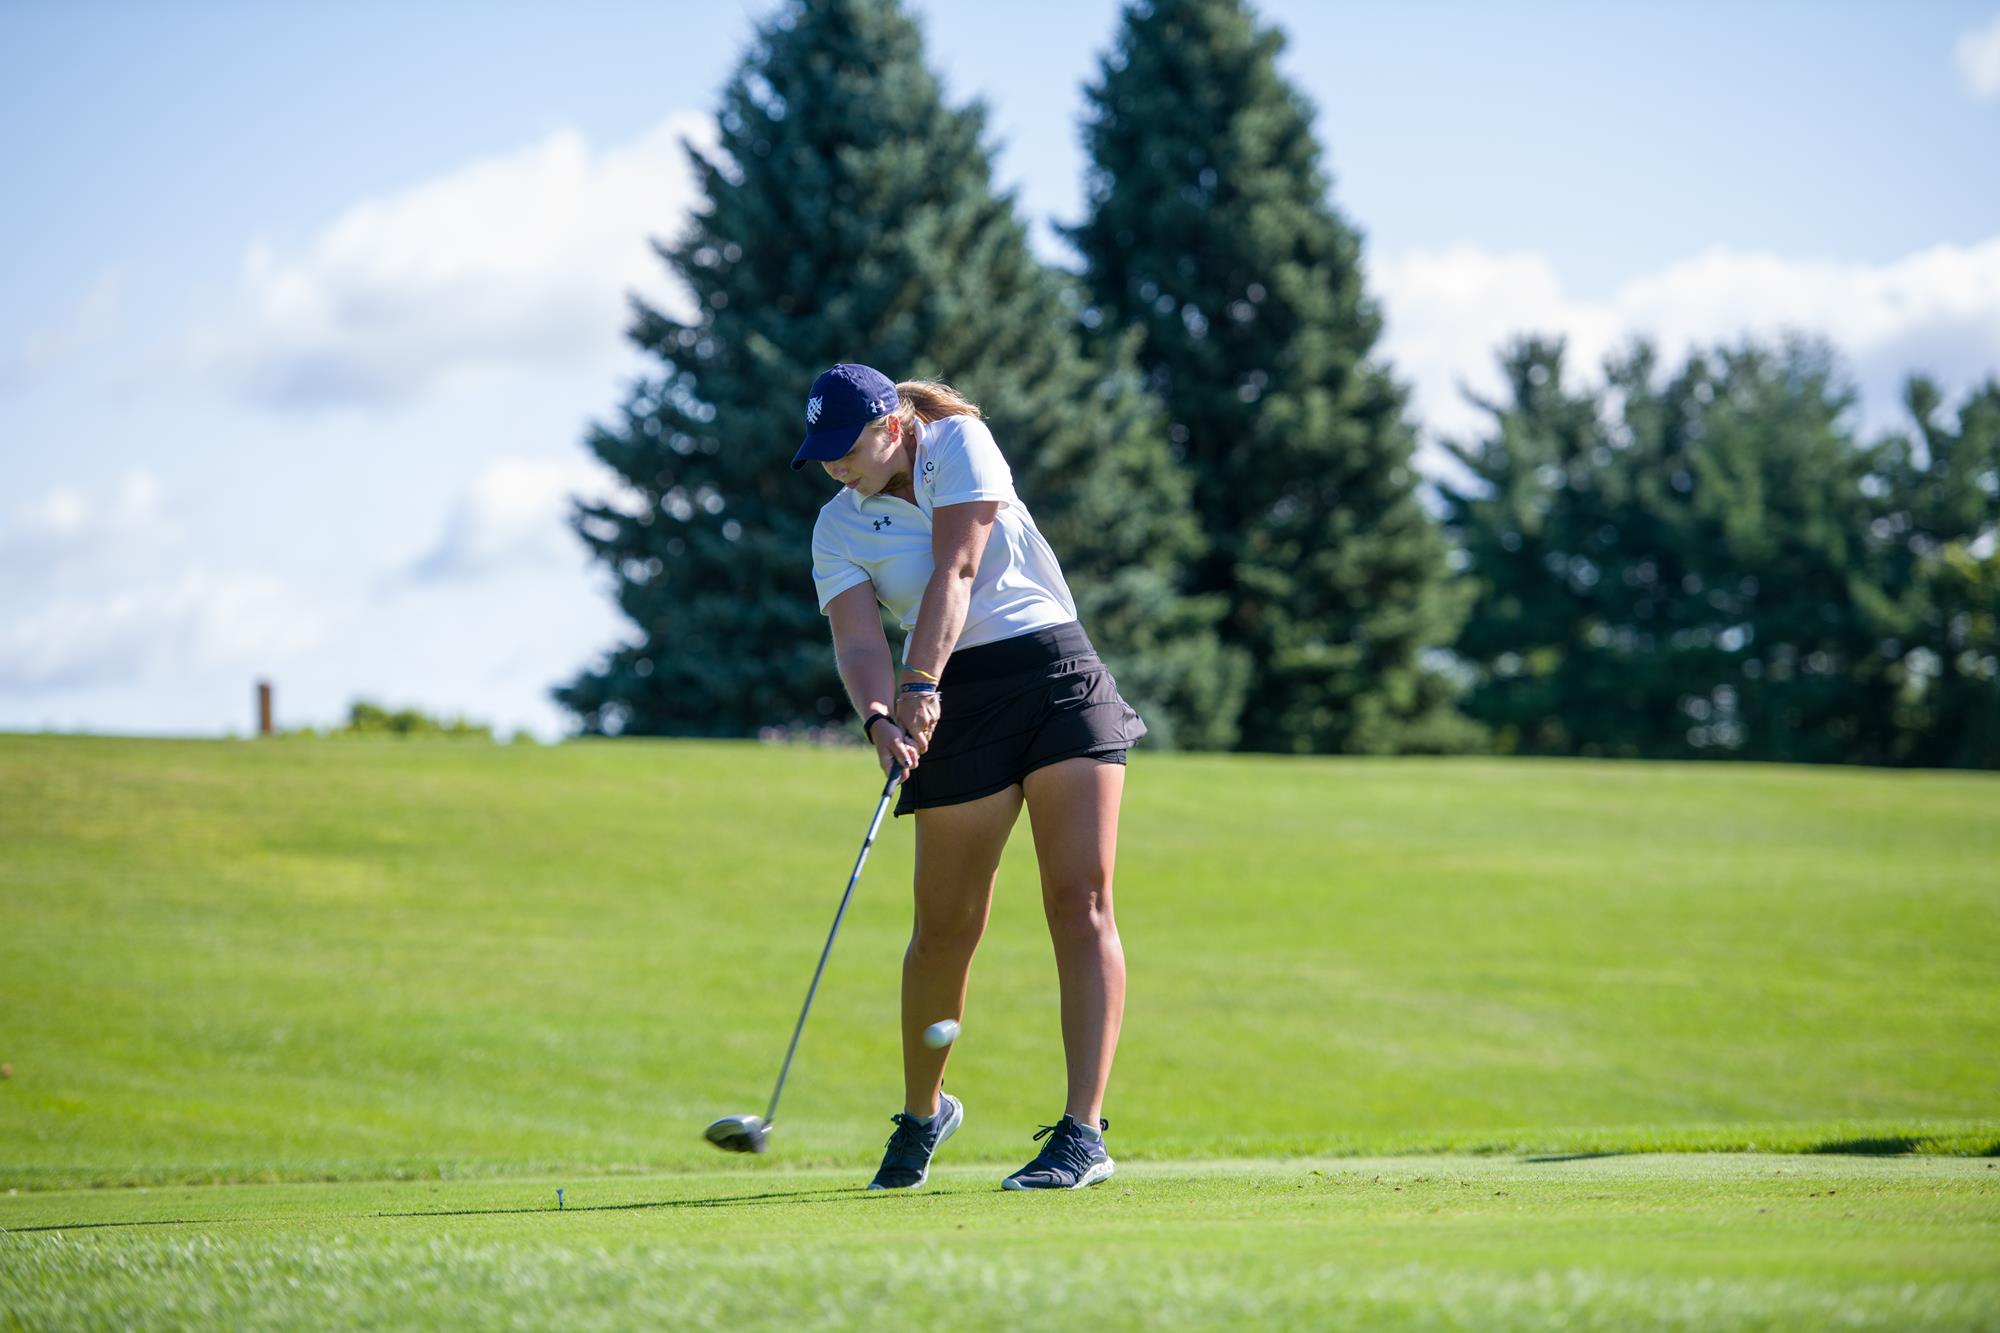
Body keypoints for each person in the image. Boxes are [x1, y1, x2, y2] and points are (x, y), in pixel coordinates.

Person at [793, 362, 1147, 1191]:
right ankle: (923, 1114)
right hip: (954, 700)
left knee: (1081, 899)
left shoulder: (958, 442)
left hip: (1054, 675)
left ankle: (1082, 1133)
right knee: (945, 928)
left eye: (848, 446)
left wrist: (918, 684)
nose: (836, 465)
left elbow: (958, 567)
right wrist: (879, 718)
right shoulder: (836, 528)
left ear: (891, 424)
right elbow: (857, 643)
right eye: (823, 452)